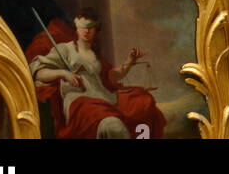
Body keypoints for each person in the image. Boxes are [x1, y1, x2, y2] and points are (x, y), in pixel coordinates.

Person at [27, 8, 165, 140]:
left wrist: (129, 62)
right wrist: (63, 73)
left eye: (90, 27)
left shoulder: (95, 54)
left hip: (103, 97)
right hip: (79, 101)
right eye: (82, 26)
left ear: (96, 29)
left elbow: (112, 77)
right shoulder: (65, 50)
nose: (86, 31)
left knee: (143, 103)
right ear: (76, 27)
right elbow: (38, 72)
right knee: (113, 127)